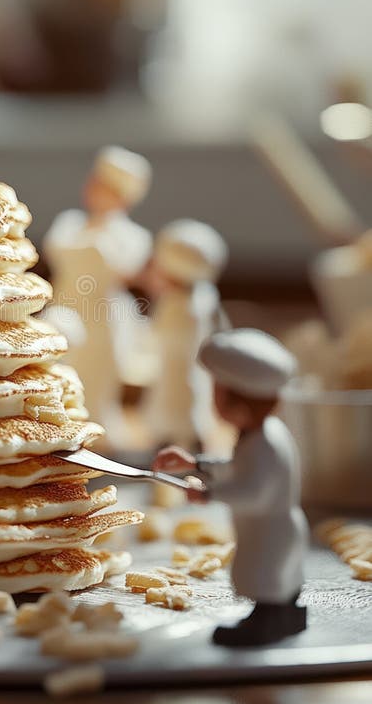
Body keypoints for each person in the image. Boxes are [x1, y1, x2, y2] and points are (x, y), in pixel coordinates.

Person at [153, 328, 309, 646]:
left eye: (217, 391)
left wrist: (210, 494)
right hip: (274, 528)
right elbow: (236, 469)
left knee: (268, 579)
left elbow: (255, 492)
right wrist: (194, 464)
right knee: (277, 579)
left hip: (270, 531)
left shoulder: (265, 443)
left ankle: (268, 622)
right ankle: (285, 615)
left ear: (237, 401)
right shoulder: (261, 436)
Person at [44, 145, 153, 447]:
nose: (91, 188)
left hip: (104, 319)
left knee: (98, 378)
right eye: (93, 181)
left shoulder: (134, 236)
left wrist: (96, 250)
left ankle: (98, 434)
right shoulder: (70, 223)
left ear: (122, 195)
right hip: (65, 310)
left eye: (102, 185)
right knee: (64, 370)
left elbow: (121, 266)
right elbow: (59, 251)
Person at [141, 219, 228, 454]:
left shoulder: (179, 305)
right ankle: (188, 440)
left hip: (177, 372)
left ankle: (176, 444)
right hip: (191, 370)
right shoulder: (202, 295)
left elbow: (163, 337)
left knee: (176, 408)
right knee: (191, 401)